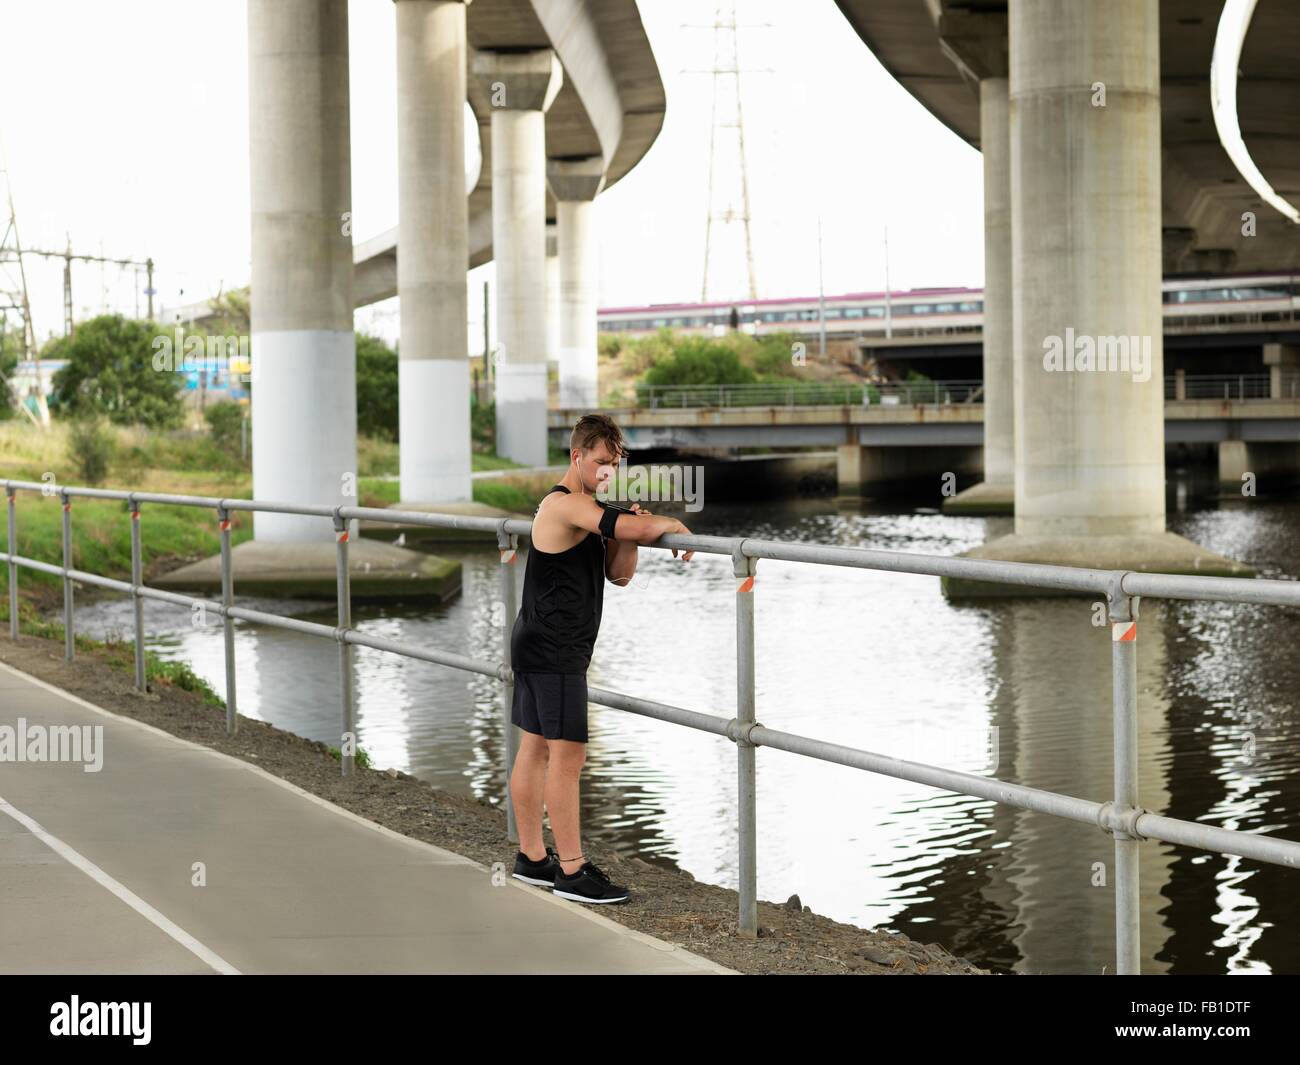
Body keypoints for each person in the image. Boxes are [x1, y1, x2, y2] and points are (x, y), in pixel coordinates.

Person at [508, 413, 695, 904]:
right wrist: (664, 522)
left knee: (536, 747)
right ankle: (572, 872)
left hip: (541, 644)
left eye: (616, 463)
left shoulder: (589, 508)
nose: (610, 471)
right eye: (602, 462)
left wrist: (628, 533)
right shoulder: (566, 505)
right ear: (577, 457)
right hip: (553, 649)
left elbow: (620, 575)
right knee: (566, 756)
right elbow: (620, 523)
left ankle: (531, 859)